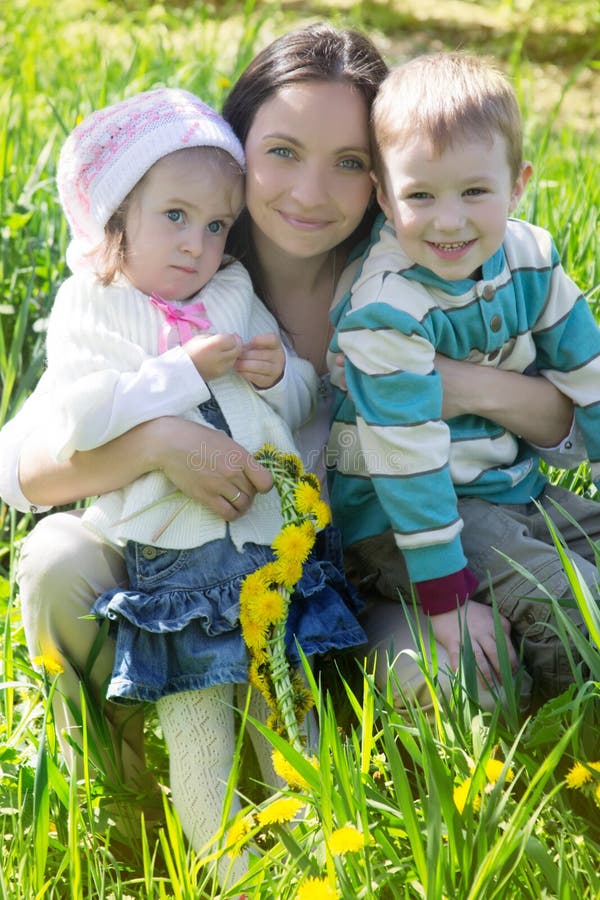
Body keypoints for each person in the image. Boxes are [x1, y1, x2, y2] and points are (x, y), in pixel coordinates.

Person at [0, 23, 582, 840]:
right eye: (282, 152)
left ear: (384, 176)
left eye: (348, 162)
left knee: (455, 672)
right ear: (235, 145)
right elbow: (21, 466)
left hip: (370, 581)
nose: (311, 192)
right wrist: (162, 443)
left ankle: (390, 830)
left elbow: (562, 417)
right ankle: (128, 813)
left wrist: (439, 384)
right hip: (188, 565)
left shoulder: (425, 267)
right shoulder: (178, 267)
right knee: (59, 558)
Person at [31, 85, 368, 874]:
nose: (196, 245)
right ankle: (226, 869)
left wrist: (281, 373)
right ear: (116, 217)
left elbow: (300, 404)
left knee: (288, 716)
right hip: (175, 570)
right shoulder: (94, 306)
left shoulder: (230, 292)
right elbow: (82, 418)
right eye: (175, 217)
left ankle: (320, 864)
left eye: (216, 226)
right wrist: (183, 374)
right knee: (201, 734)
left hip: (271, 556)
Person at [328, 50, 600, 710]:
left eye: (475, 192)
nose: (449, 221)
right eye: (421, 196)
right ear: (385, 198)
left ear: (518, 184)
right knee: (571, 600)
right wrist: (445, 597)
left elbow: (589, 376)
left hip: (512, 489)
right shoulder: (385, 310)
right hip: (403, 520)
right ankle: (572, 735)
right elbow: (407, 464)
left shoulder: (530, 260)